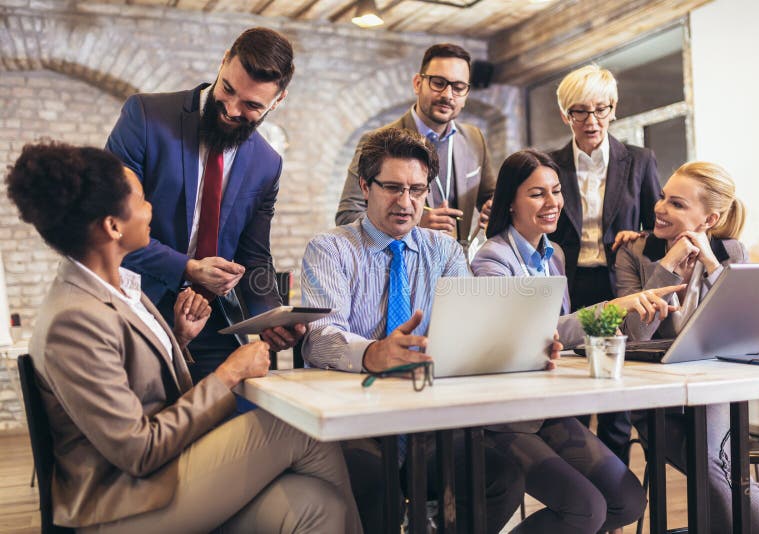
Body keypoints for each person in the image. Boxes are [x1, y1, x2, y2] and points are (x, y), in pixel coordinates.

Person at [6, 143, 362, 533]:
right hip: (122, 503)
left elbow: (132, 380)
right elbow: (139, 450)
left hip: (164, 475)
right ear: (113, 226)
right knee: (299, 427)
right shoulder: (73, 320)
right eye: (140, 200)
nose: (150, 209)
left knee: (318, 505)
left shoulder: (122, 289)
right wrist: (229, 373)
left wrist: (179, 338)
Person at [302, 127, 524, 533]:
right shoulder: (330, 248)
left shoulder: (445, 251)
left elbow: (472, 330)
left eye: (417, 190)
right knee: (375, 485)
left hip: (427, 418)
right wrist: (373, 353)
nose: (406, 203)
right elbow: (320, 337)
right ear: (365, 187)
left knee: (502, 478)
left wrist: (519, 347)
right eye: (393, 188)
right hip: (357, 419)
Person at [471, 148, 687, 533]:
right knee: (586, 510)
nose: (553, 202)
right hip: (505, 418)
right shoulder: (491, 260)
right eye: (537, 193)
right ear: (510, 202)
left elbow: (562, 339)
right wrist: (612, 308)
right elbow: (527, 333)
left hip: (548, 408)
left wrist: (613, 325)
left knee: (627, 500)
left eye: (556, 191)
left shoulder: (553, 254)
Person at [106, 27, 304, 384]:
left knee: (242, 406)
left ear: (277, 101)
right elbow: (110, 223)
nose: (230, 109)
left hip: (213, 321)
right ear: (224, 60)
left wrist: (272, 317)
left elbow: (254, 255)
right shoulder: (146, 116)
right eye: (227, 89)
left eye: (252, 105)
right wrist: (188, 268)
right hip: (135, 305)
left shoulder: (267, 163)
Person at [614, 161, 759, 534]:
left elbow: (744, 330)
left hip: (711, 392)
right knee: (719, 468)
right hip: (655, 398)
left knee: (714, 466)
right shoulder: (633, 252)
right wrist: (668, 264)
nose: (660, 208)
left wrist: (712, 265)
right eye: (663, 197)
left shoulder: (731, 253)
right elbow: (636, 336)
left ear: (709, 220)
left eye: (677, 204)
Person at [548, 64, 661, 461]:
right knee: (571, 391)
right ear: (565, 115)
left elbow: (659, 227)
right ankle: (578, 479)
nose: (591, 121)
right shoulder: (548, 164)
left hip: (620, 286)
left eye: (600, 109)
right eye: (580, 111)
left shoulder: (640, 161)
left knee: (616, 400)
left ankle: (615, 490)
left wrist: (640, 237)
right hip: (568, 285)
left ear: (614, 109)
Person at [336, 43, 495, 244]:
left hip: (458, 260)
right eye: (438, 83)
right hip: (401, 259)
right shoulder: (377, 141)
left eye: (458, 88)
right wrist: (414, 225)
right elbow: (347, 215)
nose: (447, 95)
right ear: (418, 83)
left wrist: (495, 208)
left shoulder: (475, 138)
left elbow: (490, 197)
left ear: (466, 94)